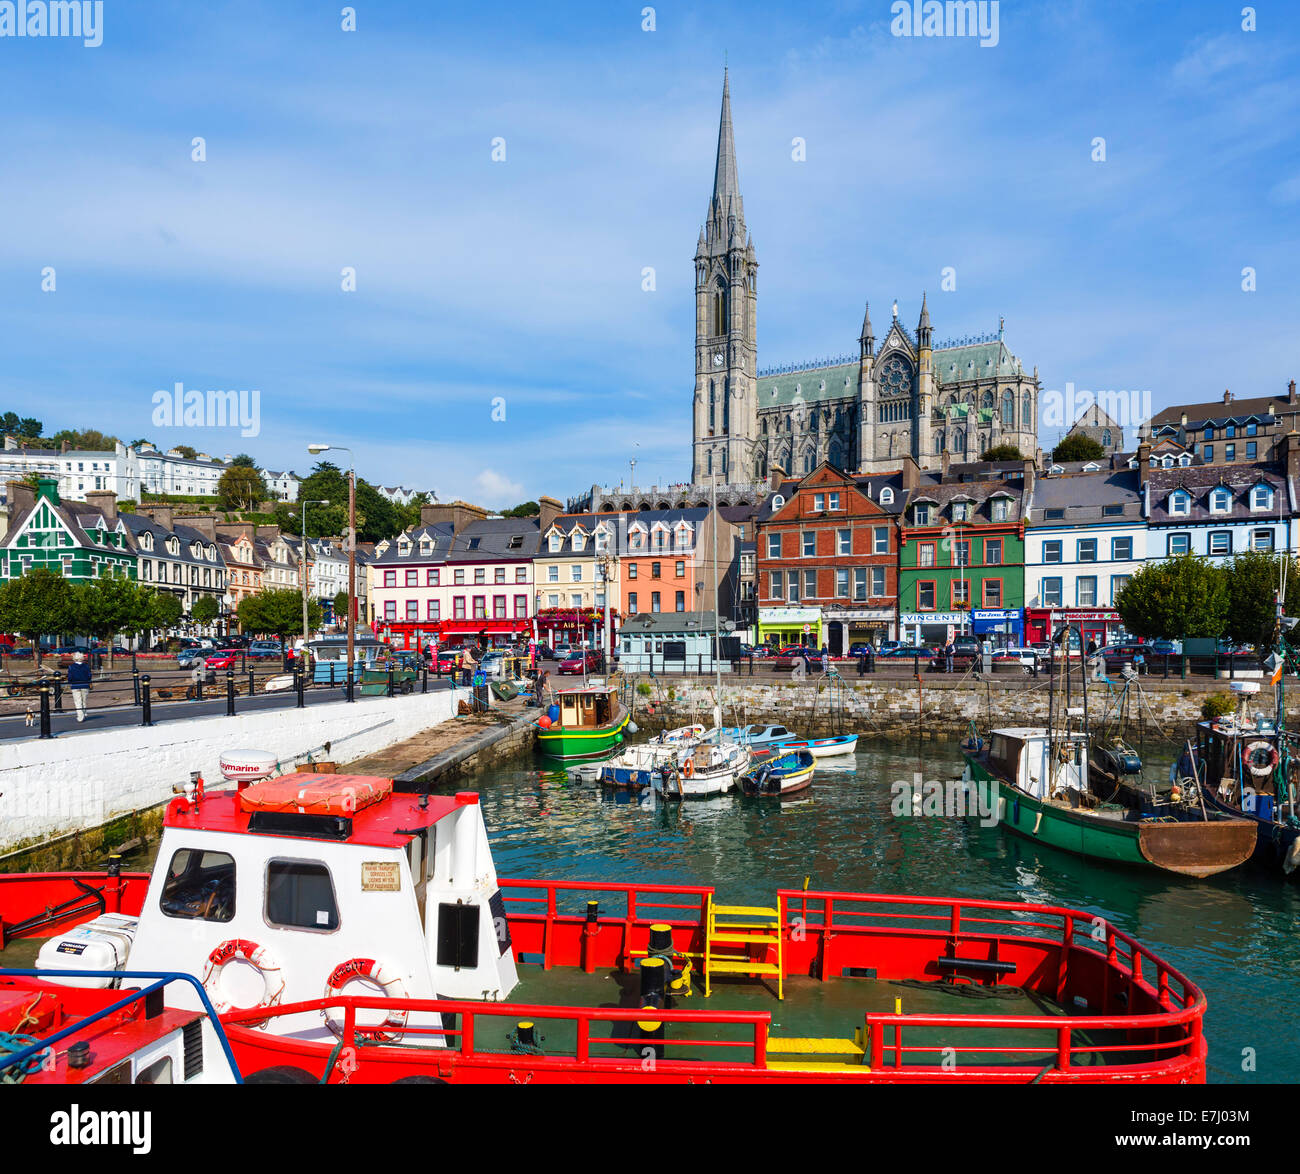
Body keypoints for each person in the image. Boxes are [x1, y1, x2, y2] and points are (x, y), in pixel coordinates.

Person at [67, 651, 92, 722]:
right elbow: (89, 676)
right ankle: (83, 712)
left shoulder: (71, 667)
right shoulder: (86, 666)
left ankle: (80, 716)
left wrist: (70, 682)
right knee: (84, 700)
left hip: (75, 685)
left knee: (77, 701)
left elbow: (70, 677)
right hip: (85, 685)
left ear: (74, 658)